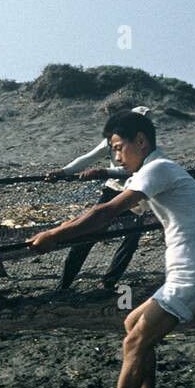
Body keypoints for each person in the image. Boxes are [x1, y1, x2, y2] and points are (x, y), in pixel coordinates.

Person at [29, 110, 195, 388]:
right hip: (190, 274)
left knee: (134, 343)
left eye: (120, 147)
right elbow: (101, 214)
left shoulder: (158, 169)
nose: (117, 156)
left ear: (141, 141)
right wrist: (56, 232)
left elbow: (105, 212)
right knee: (132, 323)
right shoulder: (154, 172)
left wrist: (55, 236)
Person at [54, 105, 153, 292]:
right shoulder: (112, 141)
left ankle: (108, 282)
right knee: (86, 235)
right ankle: (64, 284)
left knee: (130, 241)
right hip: (113, 191)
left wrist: (104, 171)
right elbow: (88, 158)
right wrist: (64, 171)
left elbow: (135, 169)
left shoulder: (146, 145)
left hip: (135, 194)